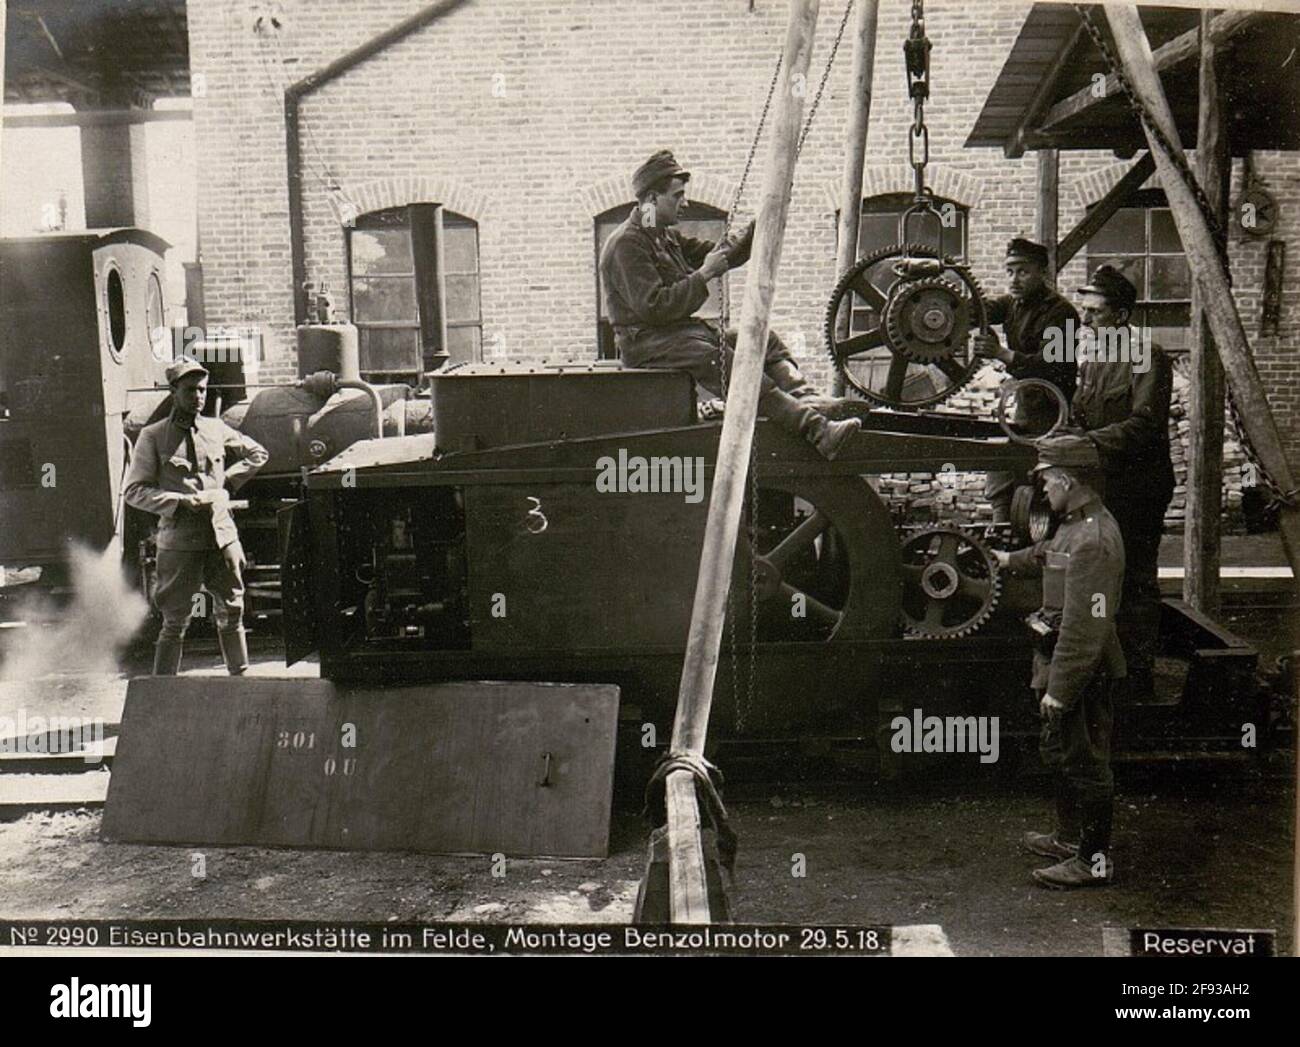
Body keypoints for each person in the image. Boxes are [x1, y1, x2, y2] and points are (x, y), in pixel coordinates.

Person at [599, 149, 861, 460]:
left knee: (763, 339)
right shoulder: (627, 244)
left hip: (676, 337)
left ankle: (807, 399)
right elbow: (654, 307)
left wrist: (764, 217)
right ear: (652, 199)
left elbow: (726, 253)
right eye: (677, 196)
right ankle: (817, 430)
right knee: (728, 361)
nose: (685, 203)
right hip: (647, 344)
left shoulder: (661, 235)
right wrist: (705, 273)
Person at [994, 434, 1126, 889]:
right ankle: (1069, 839)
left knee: (1087, 762)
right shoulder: (1074, 525)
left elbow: (1084, 628)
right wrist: (1005, 559)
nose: (1043, 492)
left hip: (1081, 669)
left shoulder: (1094, 540)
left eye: (1047, 482)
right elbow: (1047, 554)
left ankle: (1092, 861)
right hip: (1061, 662)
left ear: (1068, 480)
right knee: (1067, 754)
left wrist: (1060, 689)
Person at [124, 357, 269, 676]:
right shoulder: (153, 436)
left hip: (222, 539)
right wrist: (180, 502)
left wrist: (228, 483)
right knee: (174, 622)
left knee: (232, 612)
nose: (198, 397)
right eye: (190, 390)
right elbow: (134, 491)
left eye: (202, 390)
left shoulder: (216, 429)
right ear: (174, 391)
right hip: (180, 544)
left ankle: (239, 680)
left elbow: (258, 453)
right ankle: (163, 691)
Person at [1070, 264, 1175, 701]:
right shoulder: (1094, 358)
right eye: (1086, 311)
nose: (1087, 321)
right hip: (1103, 482)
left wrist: (1086, 442)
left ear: (1121, 315)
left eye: (1095, 312)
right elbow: (1082, 411)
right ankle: (1107, 672)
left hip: (1138, 485)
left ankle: (1137, 679)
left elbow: (1144, 426)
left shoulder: (1147, 357)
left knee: (1133, 580)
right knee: (1099, 575)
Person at [971, 238, 1079, 522]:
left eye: (1023, 271)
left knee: (1042, 489)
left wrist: (1001, 353)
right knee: (1002, 473)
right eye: (1009, 271)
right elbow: (975, 311)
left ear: (1043, 272)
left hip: (1051, 413)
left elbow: (1052, 368)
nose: (1014, 279)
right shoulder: (1012, 305)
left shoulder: (1061, 313)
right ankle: (1003, 531)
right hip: (1023, 407)